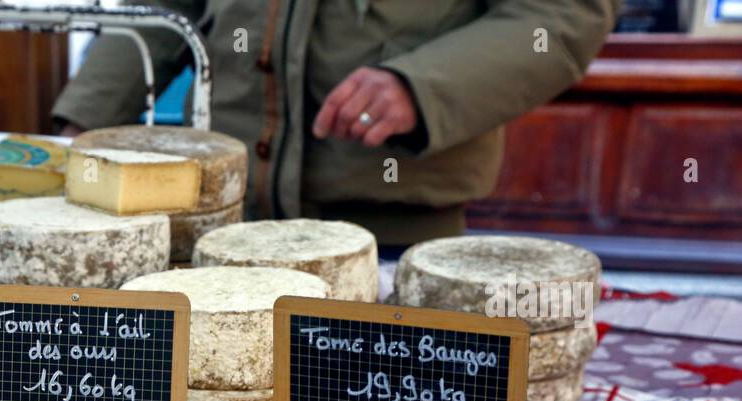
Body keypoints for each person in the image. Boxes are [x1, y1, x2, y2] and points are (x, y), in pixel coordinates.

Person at [53, 0, 620, 247]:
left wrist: (422, 86)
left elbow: (561, 14)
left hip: (390, 227)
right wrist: (86, 118)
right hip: (224, 214)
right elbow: (160, 8)